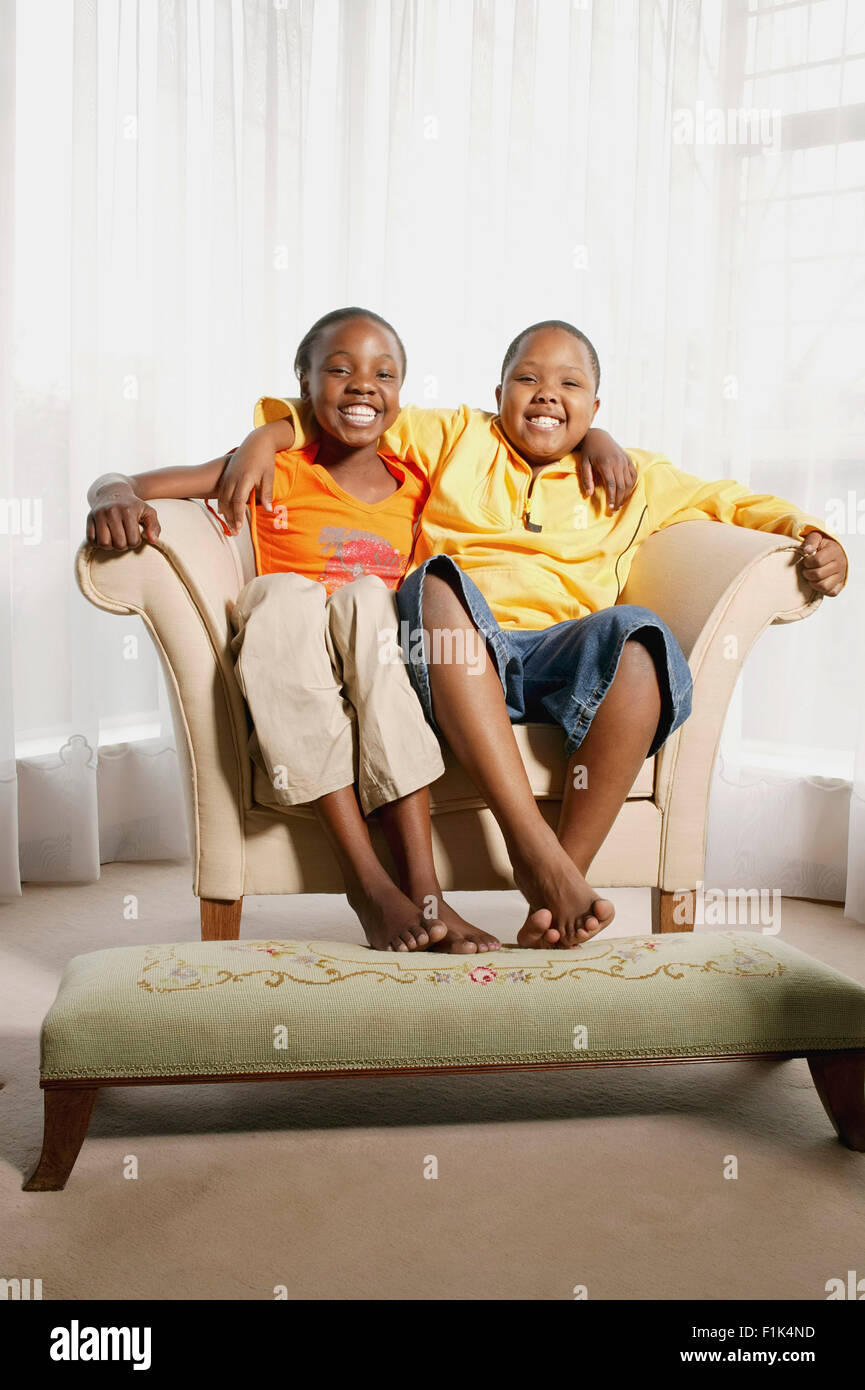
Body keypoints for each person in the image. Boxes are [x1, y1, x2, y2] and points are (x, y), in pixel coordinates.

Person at [221, 319, 848, 949]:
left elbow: (730, 502)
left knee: (640, 639)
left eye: (568, 385)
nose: (546, 395)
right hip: (452, 650)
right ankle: (530, 846)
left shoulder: (635, 478)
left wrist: (816, 535)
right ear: (497, 394)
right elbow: (352, 412)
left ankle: (556, 885)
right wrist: (263, 436)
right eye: (528, 379)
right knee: (435, 581)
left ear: (595, 407)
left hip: (562, 655)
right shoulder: (454, 436)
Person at [85, 308, 638, 953]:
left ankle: (427, 895)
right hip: (289, 647)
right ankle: (368, 885)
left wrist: (595, 438)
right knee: (286, 596)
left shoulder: (420, 479)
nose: (361, 386)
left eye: (383, 374)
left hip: (374, 650)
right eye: (339, 370)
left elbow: (517, 450)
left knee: (371, 601)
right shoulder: (276, 465)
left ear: (401, 394)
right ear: (304, 383)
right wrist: (110, 495)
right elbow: (133, 481)